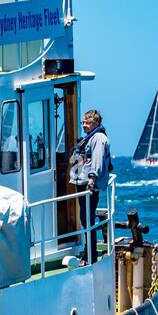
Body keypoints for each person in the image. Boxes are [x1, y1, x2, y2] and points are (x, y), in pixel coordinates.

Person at [69, 108, 113, 261]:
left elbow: (98, 161)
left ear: (96, 123)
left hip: (89, 185)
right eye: (83, 122)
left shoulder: (98, 138)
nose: (84, 125)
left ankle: (91, 255)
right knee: (85, 218)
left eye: (88, 122)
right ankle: (89, 251)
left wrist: (92, 180)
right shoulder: (90, 137)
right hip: (82, 182)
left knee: (87, 219)